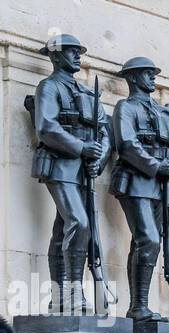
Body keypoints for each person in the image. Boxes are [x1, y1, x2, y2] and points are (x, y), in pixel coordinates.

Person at [28, 34, 109, 315]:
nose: (77, 56)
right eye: (70, 52)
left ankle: (59, 298)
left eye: (78, 51)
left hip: (84, 170)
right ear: (55, 56)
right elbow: (47, 128)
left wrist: (99, 155)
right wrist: (82, 148)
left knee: (63, 230)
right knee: (80, 223)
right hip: (60, 165)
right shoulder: (48, 87)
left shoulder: (88, 93)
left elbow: (104, 130)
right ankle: (74, 294)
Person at [110, 56, 169, 323]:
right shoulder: (125, 108)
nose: (153, 76)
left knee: (147, 241)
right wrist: (157, 167)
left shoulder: (165, 113)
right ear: (132, 78)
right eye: (147, 73)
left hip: (158, 186)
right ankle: (138, 305)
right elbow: (127, 145)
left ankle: (139, 305)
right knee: (149, 239)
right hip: (135, 181)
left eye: (153, 72)